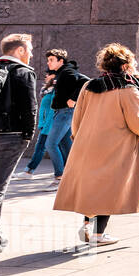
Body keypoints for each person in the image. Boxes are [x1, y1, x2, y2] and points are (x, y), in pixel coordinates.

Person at [53, 43, 139, 245]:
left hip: (87, 143)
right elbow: (137, 123)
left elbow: (77, 118)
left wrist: (78, 139)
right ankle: (97, 234)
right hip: (116, 147)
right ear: (125, 65)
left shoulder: (89, 86)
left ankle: (89, 227)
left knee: (94, 188)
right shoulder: (128, 88)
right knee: (108, 189)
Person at [0, 33, 38, 253]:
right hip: (10, 136)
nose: (31, 54)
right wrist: (28, 135)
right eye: (29, 49)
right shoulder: (23, 71)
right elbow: (30, 106)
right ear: (19, 50)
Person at [45, 50, 88, 183]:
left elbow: (85, 81)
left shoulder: (67, 71)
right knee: (66, 145)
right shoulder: (61, 73)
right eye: (48, 60)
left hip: (65, 112)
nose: (48, 62)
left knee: (51, 144)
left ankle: (59, 176)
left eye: (52, 59)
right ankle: (74, 174)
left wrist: (74, 98)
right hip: (61, 112)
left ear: (61, 61)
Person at [14, 73, 57, 180]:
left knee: (40, 148)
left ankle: (29, 171)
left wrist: (46, 126)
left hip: (49, 124)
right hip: (45, 123)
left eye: (49, 74)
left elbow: (52, 110)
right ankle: (62, 171)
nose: (46, 75)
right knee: (59, 148)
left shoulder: (55, 91)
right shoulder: (47, 90)